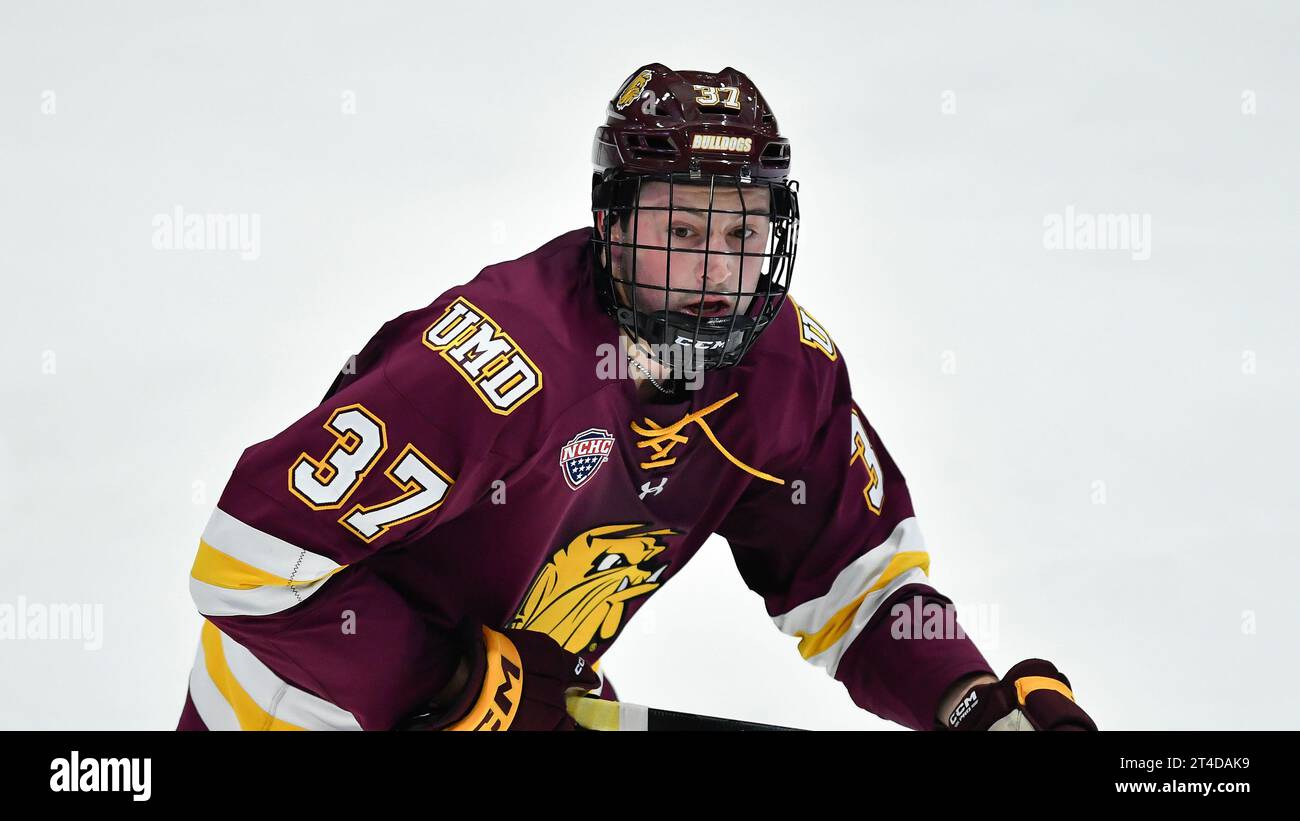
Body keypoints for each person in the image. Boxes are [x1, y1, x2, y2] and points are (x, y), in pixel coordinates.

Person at [177, 63, 1096, 732]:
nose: (714, 270)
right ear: (610, 225)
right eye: (681, 228)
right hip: (298, 710)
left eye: (741, 231)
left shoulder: (787, 375)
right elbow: (246, 563)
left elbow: (853, 579)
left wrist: (972, 702)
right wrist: (458, 687)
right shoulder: (503, 361)